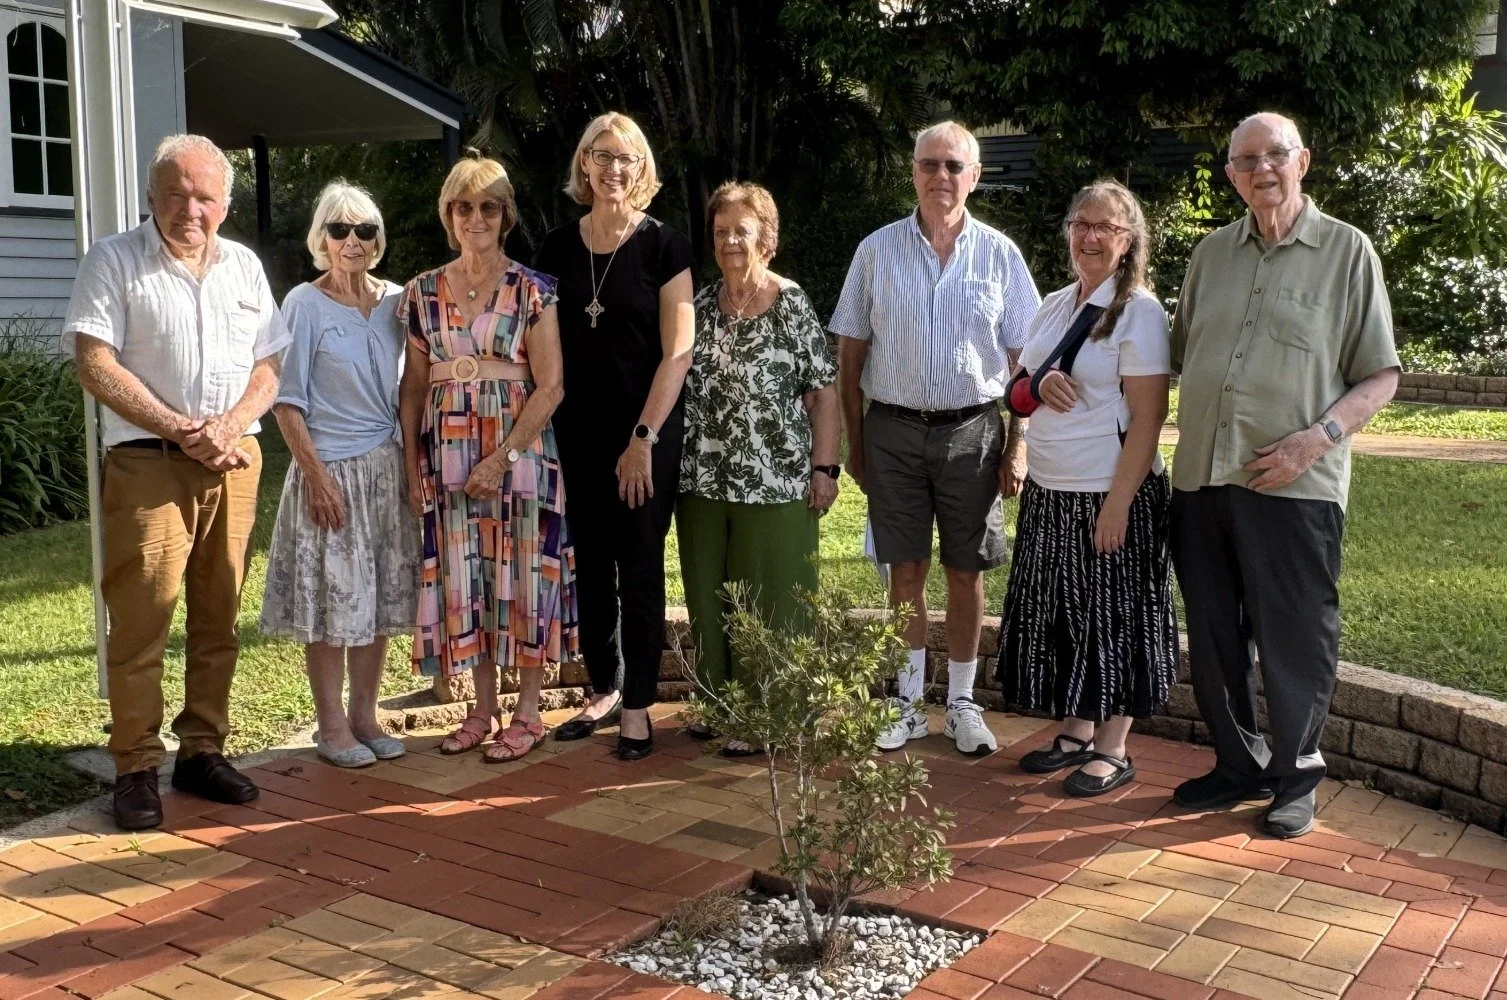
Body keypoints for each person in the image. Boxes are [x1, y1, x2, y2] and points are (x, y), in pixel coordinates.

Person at [1170, 113, 1400, 838]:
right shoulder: (1210, 253)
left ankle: (1295, 776)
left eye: (1274, 155)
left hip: (1293, 483)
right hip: (1201, 478)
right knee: (1212, 634)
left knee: (1294, 635)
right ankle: (1237, 766)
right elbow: (1176, 353)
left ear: (1301, 161)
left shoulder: (1346, 251)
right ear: (1231, 175)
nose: (1260, 169)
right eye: (1245, 160)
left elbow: (1380, 375)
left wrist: (1316, 440)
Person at [64, 134, 289, 830]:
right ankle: (135, 766)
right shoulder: (113, 261)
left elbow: (270, 365)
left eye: (205, 197)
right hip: (148, 463)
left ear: (225, 203)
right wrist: (179, 425)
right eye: (176, 193)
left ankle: (201, 751)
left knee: (219, 617)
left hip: (233, 461)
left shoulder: (244, 267)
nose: (190, 209)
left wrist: (230, 426)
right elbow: (95, 362)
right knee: (142, 621)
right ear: (151, 195)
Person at [830, 120, 1040, 756]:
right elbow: (849, 357)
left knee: (966, 571)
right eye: (930, 164)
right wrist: (856, 446)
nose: (941, 176)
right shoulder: (875, 251)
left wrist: (1018, 443)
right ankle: (908, 704)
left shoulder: (999, 254)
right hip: (892, 430)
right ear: (914, 172)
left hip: (974, 431)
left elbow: (1026, 362)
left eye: (954, 166)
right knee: (906, 570)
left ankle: (963, 704)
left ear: (974, 177)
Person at [997, 180, 1178, 797]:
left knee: (1116, 617)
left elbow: (1149, 418)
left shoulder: (1139, 312)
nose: (1091, 237)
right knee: (1068, 616)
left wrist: (1119, 503)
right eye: (1081, 224)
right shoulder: (1055, 304)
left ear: (1129, 241)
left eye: (1106, 227)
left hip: (1108, 491)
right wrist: (1036, 387)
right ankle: (1076, 730)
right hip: (1051, 489)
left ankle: (1113, 747)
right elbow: (1018, 388)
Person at [397, 151, 578, 763]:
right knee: (464, 574)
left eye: (489, 207)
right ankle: (481, 710)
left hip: (519, 455)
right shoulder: (421, 292)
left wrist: (501, 457)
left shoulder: (534, 290)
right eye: (463, 206)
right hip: (447, 456)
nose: (476, 217)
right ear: (448, 214)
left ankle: (527, 712)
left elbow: (551, 386)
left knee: (523, 574)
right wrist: (412, 464)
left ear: (507, 215)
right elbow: (412, 388)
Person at [534, 113, 694, 762]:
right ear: (584, 163)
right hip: (576, 433)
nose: (614, 168)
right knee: (591, 565)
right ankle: (603, 688)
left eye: (627, 158)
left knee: (639, 563)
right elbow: (541, 346)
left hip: (645, 434)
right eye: (602, 155)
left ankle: (637, 707)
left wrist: (643, 437)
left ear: (642, 168)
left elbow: (678, 351)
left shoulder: (665, 246)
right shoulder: (555, 248)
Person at [678, 181, 840, 756]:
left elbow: (823, 394)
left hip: (777, 481)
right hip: (701, 479)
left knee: (773, 598)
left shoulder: (791, 303)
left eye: (741, 231)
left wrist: (825, 469)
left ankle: (770, 713)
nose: (729, 241)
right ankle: (718, 704)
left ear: (766, 239)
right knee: (709, 595)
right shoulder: (698, 306)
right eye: (721, 231)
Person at [259, 181, 418, 768]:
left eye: (365, 230)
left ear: (378, 239)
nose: (353, 241)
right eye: (339, 229)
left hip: (386, 469)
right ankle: (330, 727)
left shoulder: (398, 301)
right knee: (332, 604)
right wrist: (317, 478)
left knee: (376, 599)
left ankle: (365, 717)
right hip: (330, 472)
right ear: (321, 238)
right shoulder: (304, 303)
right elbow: (286, 402)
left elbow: (415, 386)